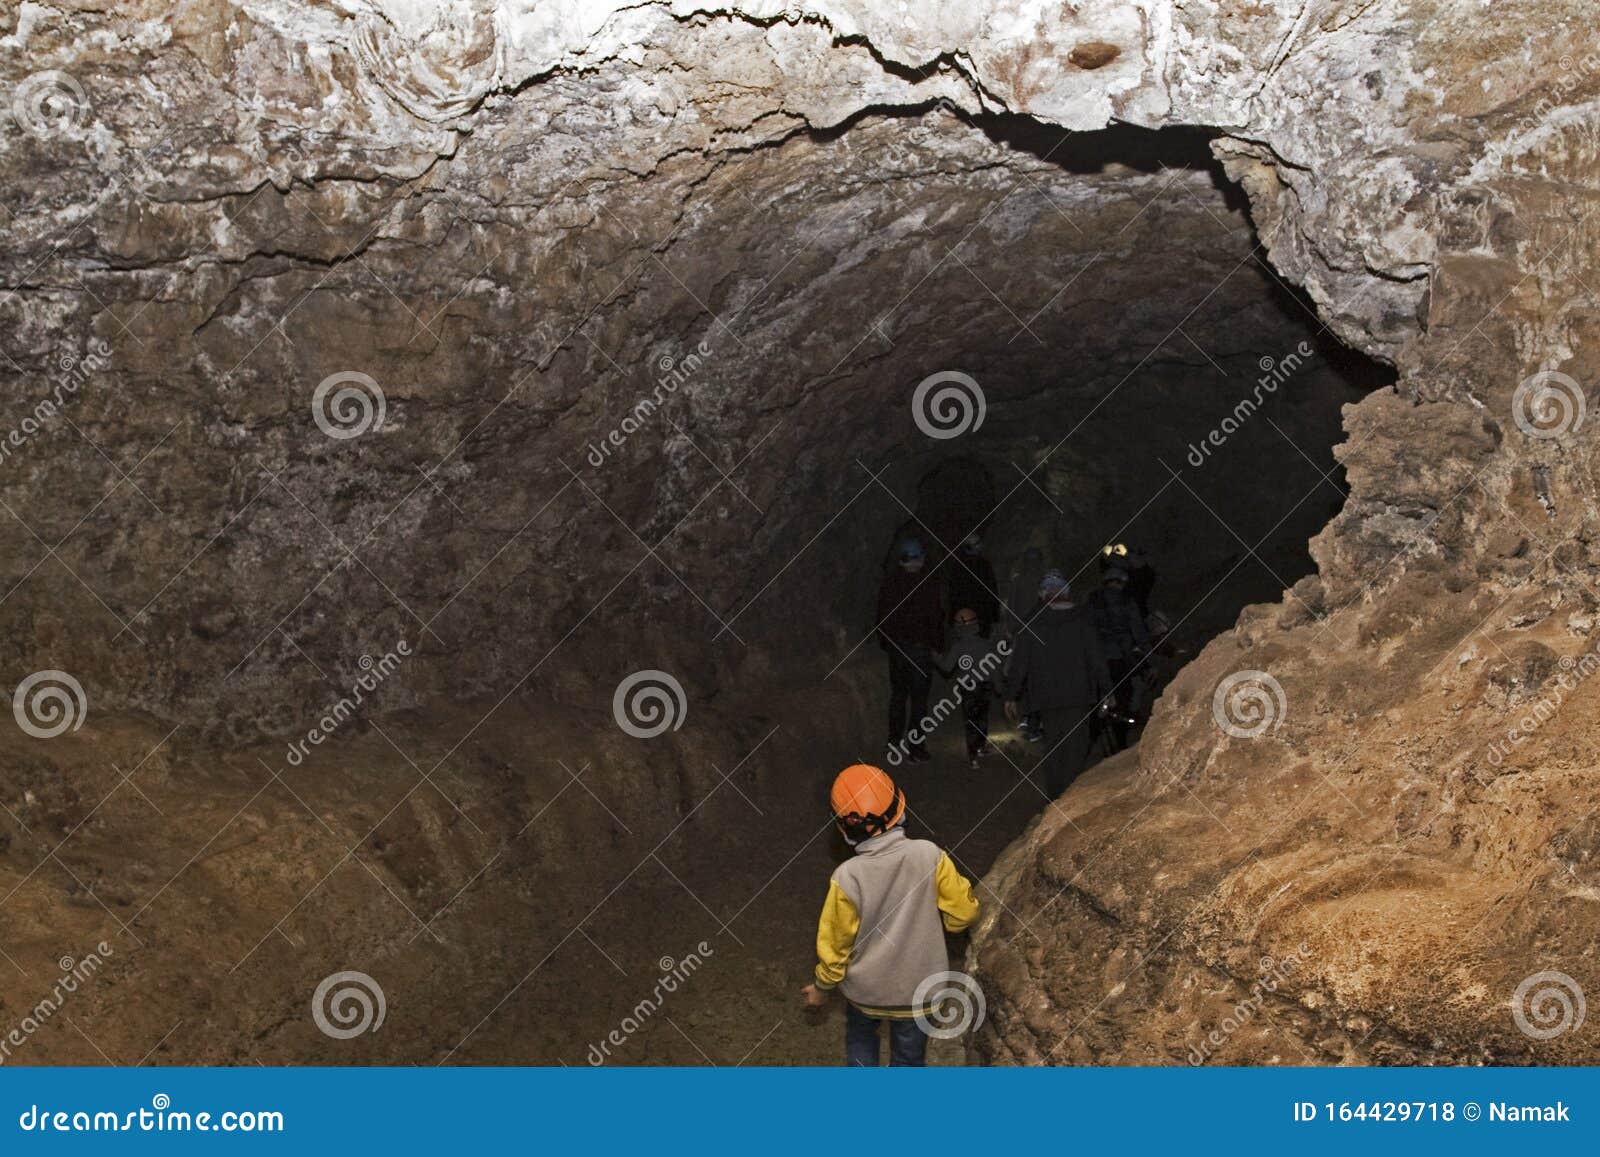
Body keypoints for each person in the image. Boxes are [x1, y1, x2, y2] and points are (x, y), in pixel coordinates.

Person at [801, 765, 979, 1066]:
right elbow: (964, 913)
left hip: (865, 992)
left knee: (860, 1039)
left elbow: (835, 944)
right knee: (908, 1058)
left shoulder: (846, 877)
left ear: (843, 827)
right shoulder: (929, 855)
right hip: (918, 990)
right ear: (901, 807)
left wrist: (822, 987)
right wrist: (946, 925)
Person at [1002, 573, 1112, 797]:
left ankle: (1055, 798)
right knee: (1076, 748)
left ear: (1043, 595)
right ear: (1067, 592)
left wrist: (1011, 695)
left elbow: (1019, 664)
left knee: (1054, 746)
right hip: (1079, 696)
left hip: (1047, 698)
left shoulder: (1033, 624)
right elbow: (1097, 659)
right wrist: (1107, 690)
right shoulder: (1084, 621)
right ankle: (1068, 797)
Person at [875, 537, 946, 763]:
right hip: (919, 651)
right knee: (918, 700)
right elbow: (936, 618)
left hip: (898, 650)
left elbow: (883, 617)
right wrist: (937, 646)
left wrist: (887, 643)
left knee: (899, 696)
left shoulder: (891, 584)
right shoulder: (928, 584)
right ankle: (915, 748)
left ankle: (894, 742)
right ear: (921, 560)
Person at [1088, 565, 1151, 752]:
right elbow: (1138, 631)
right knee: (1122, 699)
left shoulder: (1092, 600)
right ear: (1121, 582)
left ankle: (1090, 741)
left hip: (1095, 659)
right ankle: (1120, 743)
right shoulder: (1126, 601)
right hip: (1120, 659)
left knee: (1096, 700)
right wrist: (1147, 661)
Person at [935, 606, 998, 769]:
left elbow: (947, 667)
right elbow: (994, 667)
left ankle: (973, 757)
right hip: (985, 685)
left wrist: (935, 657)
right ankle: (981, 747)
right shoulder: (986, 643)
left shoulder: (958, 646)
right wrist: (998, 685)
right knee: (983, 718)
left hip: (968, 687)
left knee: (971, 721)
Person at [944, 533, 999, 635]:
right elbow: (992, 591)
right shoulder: (984, 565)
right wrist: (995, 617)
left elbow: (953, 595)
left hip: (966, 616)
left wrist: (952, 620)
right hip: (980, 615)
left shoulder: (957, 567)